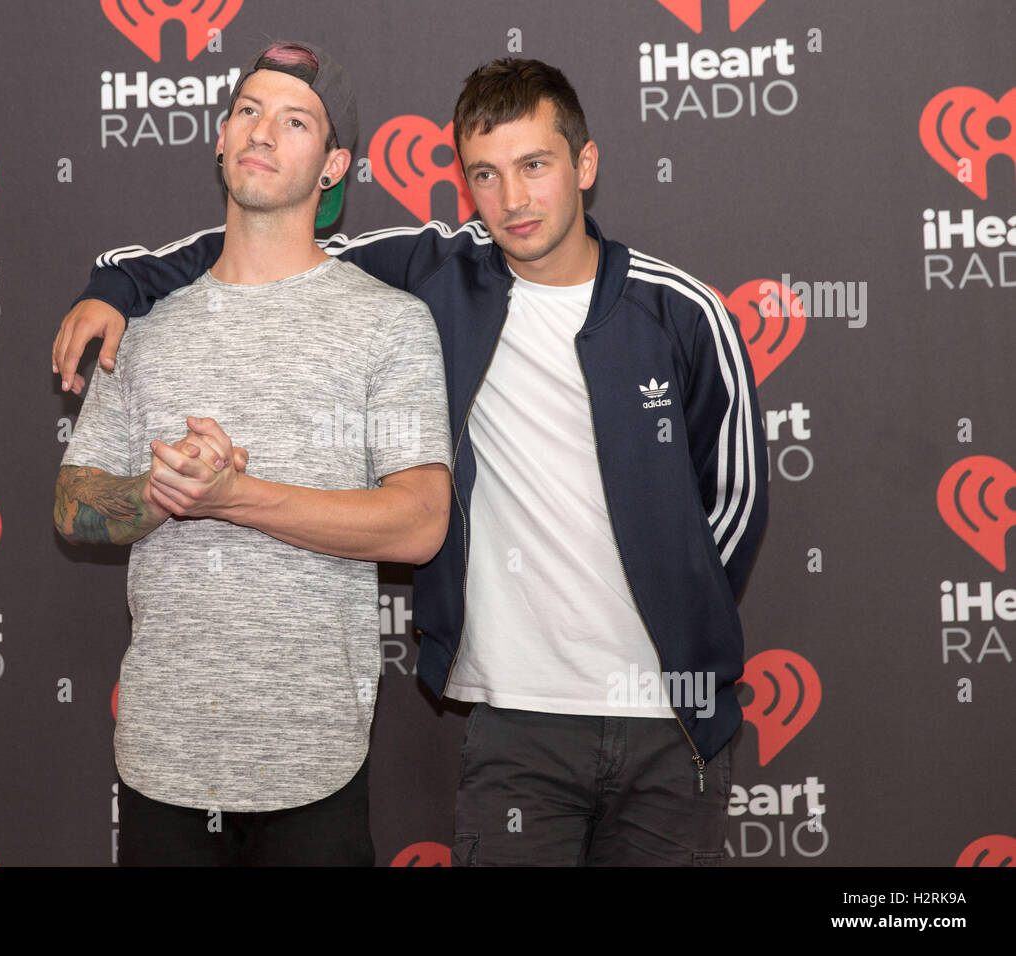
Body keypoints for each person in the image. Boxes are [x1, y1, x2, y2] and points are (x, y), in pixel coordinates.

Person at [53, 58, 767, 866]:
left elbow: (734, 502)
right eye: (486, 176)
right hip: (513, 718)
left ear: (585, 165)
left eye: (536, 166)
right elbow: (261, 234)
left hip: (670, 721)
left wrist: (684, 623)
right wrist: (118, 281)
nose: (515, 200)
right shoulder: (438, 275)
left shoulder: (680, 309)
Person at [53, 41, 452, 866]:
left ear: (335, 163)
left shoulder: (391, 323)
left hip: (316, 766)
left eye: (295, 120)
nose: (264, 132)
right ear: (220, 138)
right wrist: (164, 494)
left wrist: (234, 495)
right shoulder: (147, 326)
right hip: (163, 760)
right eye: (248, 112)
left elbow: (419, 525)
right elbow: (74, 505)